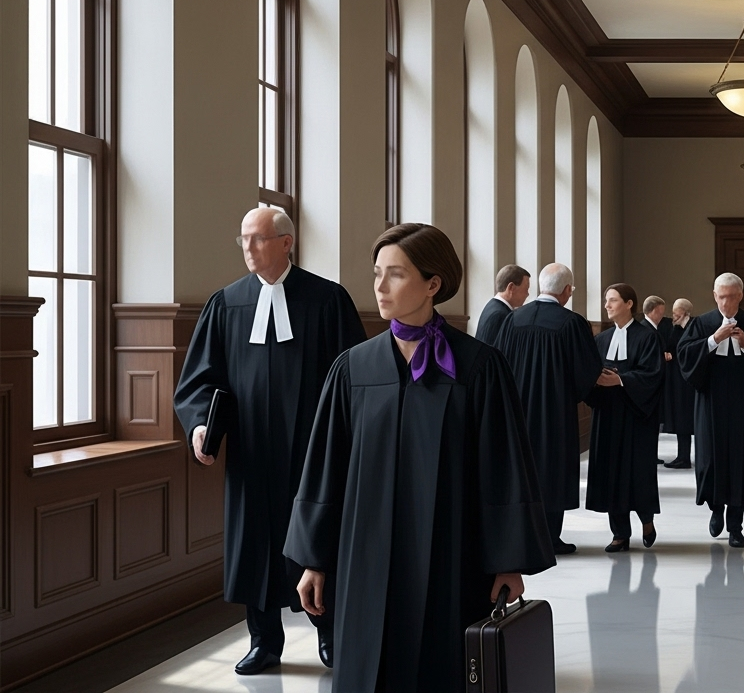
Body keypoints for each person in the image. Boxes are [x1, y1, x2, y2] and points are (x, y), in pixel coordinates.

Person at [284, 223, 554, 692]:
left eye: (395, 274)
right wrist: (314, 560)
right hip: (363, 558)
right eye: (377, 274)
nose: (380, 287)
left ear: (433, 284)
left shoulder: (478, 368)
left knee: (442, 668)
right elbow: (325, 469)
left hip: (454, 556)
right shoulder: (353, 369)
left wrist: (509, 562)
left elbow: (503, 469)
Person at [174, 207, 364, 675]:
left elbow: (355, 377)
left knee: (316, 538)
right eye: (242, 240)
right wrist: (200, 424)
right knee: (255, 545)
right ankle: (264, 641)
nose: (248, 249)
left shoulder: (327, 299)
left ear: (286, 242)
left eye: (257, 239)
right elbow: (198, 379)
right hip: (252, 454)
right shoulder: (227, 303)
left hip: (312, 451)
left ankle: (331, 635)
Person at [495, 263, 602, 555]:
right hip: (554, 413)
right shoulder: (572, 323)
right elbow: (586, 371)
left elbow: (499, 364)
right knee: (553, 470)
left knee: (521, 471)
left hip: (517, 411)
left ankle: (521, 536)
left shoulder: (513, 320)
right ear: (567, 290)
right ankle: (551, 539)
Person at [677, 274, 744, 548]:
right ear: (714, 295)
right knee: (711, 459)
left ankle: (736, 524)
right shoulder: (702, 323)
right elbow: (685, 356)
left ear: (740, 296)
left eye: (731, 297)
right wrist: (713, 340)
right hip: (710, 402)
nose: (726, 303)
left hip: (743, 404)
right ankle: (715, 509)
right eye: (721, 297)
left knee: (741, 462)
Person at [586, 284, 665, 552]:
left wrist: (620, 380)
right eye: (607, 301)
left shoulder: (647, 337)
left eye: (613, 300)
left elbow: (653, 375)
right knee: (611, 472)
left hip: (636, 416)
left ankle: (646, 520)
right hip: (608, 415)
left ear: (629, 303)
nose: (607, 305)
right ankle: (619, 533)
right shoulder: (602, 340)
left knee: (638, 471)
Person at [662, 299, 696, 469]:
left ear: (686, 313)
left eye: (677, 312)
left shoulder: (694, 327)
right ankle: (682, 456)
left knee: (687, 419)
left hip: (689, 381)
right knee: (680, 419)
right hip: (676, 380)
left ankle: (685, 457)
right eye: (673, 312)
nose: (673, 315)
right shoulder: (674, 327)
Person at [641, 295, 673, 465]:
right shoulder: (647, 330)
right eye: (661, 310)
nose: (663, 314)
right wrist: (663, 358)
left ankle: (651, 454)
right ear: (653, 310)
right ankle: (648, 455)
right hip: (651, 386)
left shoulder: (652, 329)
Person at [475, 264, 530, 344]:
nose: (527, 294)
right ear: (511, 287)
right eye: (526, 289)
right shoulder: (500, 314)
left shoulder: (493, 305)